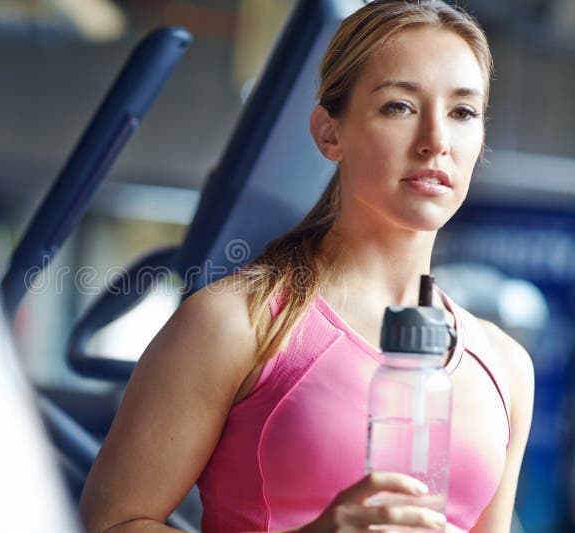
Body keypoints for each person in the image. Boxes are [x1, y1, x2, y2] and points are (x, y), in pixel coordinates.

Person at [79, 0, 535, 531]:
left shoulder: (507, 369)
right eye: (400, 107)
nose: (436, 140)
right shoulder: (236, 324)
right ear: (329, 133)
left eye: (462, 112)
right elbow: (112, 523)